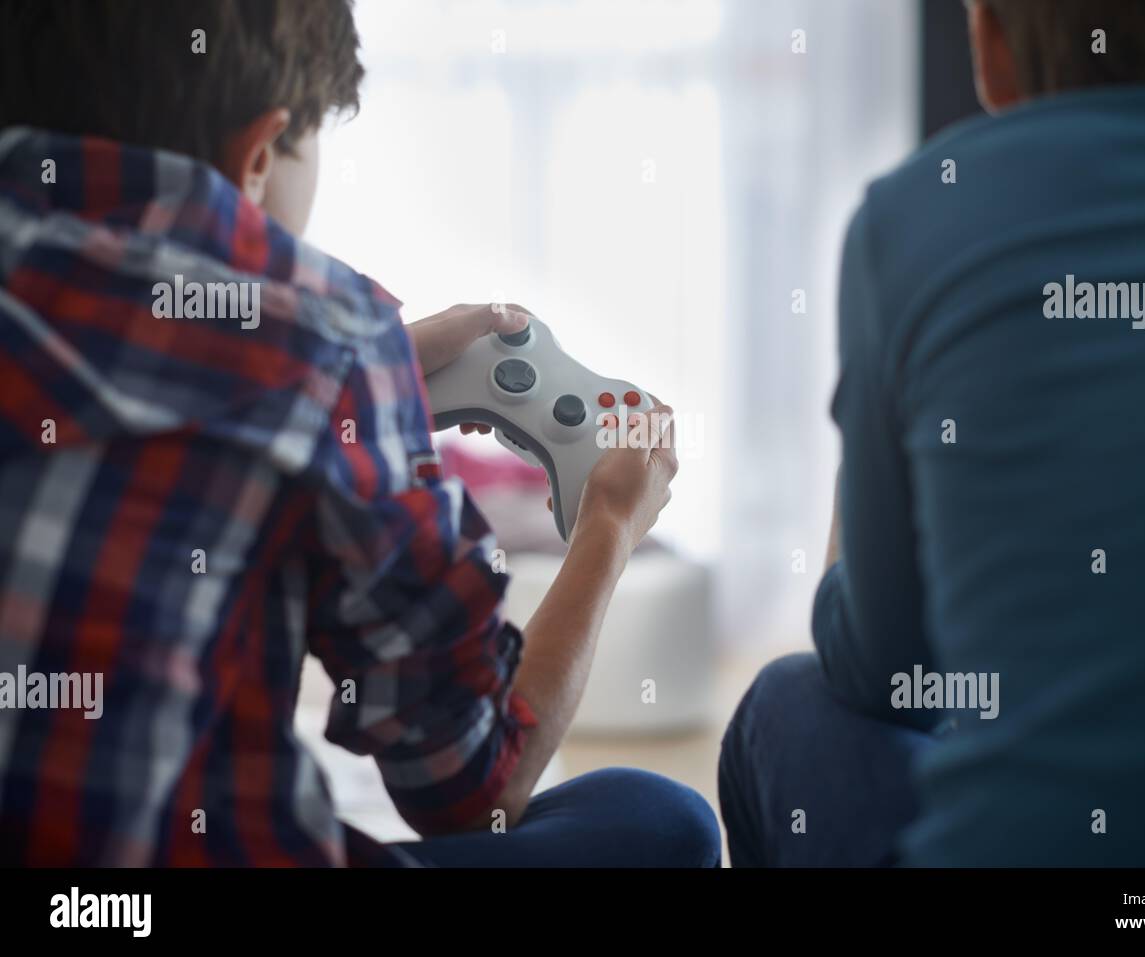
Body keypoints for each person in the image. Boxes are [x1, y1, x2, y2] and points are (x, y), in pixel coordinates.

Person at [0, 0, 719, 867]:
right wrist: (610, 522)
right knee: (656, 820)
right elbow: (472, 787)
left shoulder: (319, 359)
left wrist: (356, 387)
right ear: (259, 154)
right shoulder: (325, 338)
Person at [721, 0, 1145, 867]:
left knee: (789, 703)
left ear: (991, 47)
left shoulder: (913, 217)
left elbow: (886, 671)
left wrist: (871, 468)